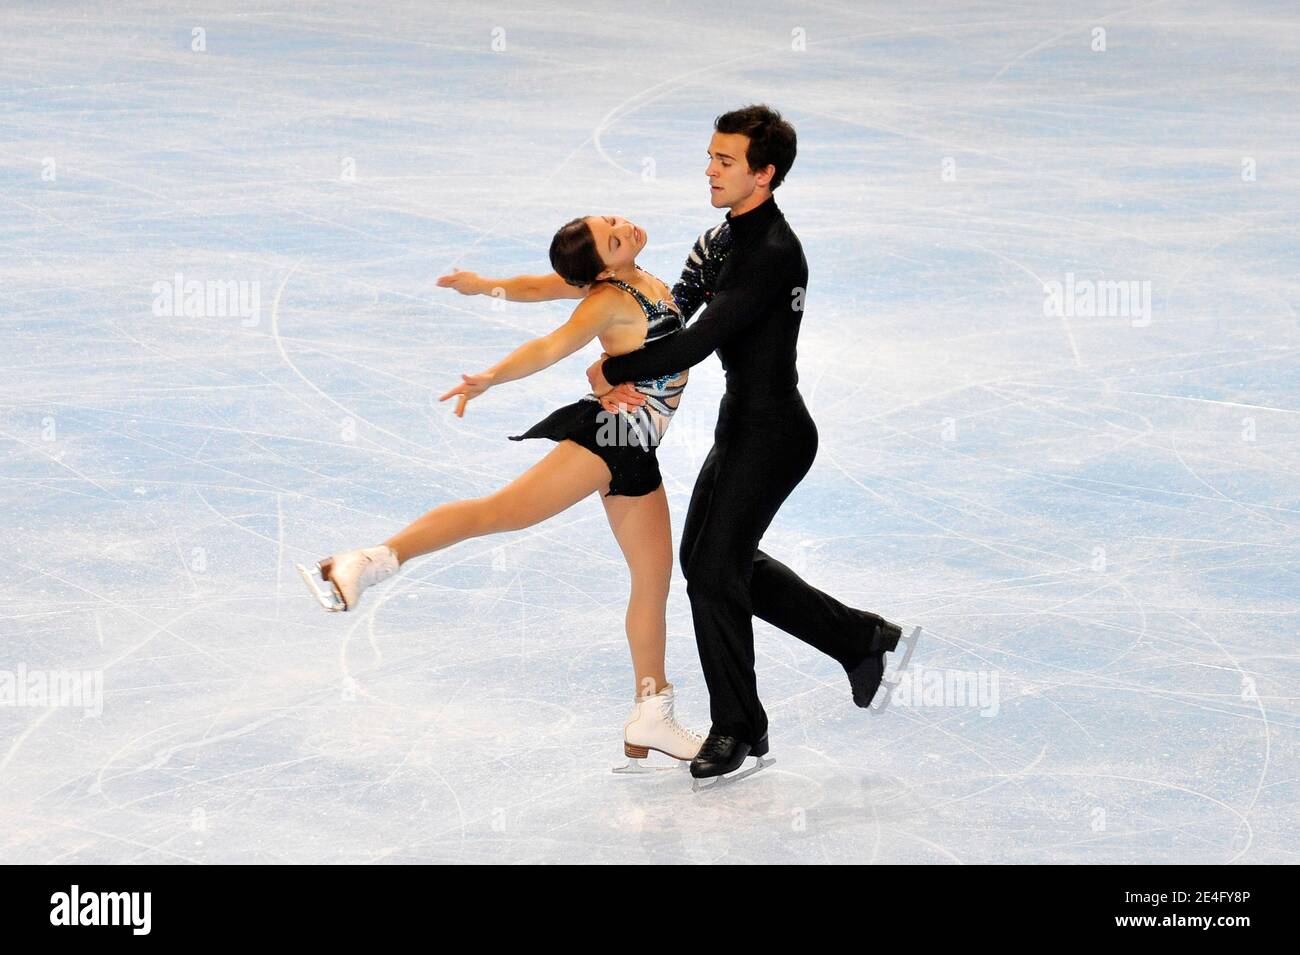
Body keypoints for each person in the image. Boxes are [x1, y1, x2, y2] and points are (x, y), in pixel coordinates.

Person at [297, 214, 704, 769]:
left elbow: (538, 287)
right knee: (503, 511)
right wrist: (491, 377)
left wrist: (483, 284)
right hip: (609, 438)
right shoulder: (607, 300)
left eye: (612, 221)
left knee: (653, 579)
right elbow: (550, 345)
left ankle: (650, 711)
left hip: (636, 443)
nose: (624, 228)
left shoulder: (633, 277)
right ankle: (369, 559)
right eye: (613, 238)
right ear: (602, 268)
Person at [585, 105, 911, 783]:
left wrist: (613, 371)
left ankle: (740, 725)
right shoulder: (724, 241)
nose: (709, 169)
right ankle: (859, 637)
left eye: (725, 161)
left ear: (763, 175)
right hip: (742, 426)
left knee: (712, 572)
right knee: (713, 561)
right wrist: (623, 296)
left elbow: (699, 343)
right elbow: (676, 315)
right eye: (710, 155)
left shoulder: (771, 253)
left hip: (775, 435)